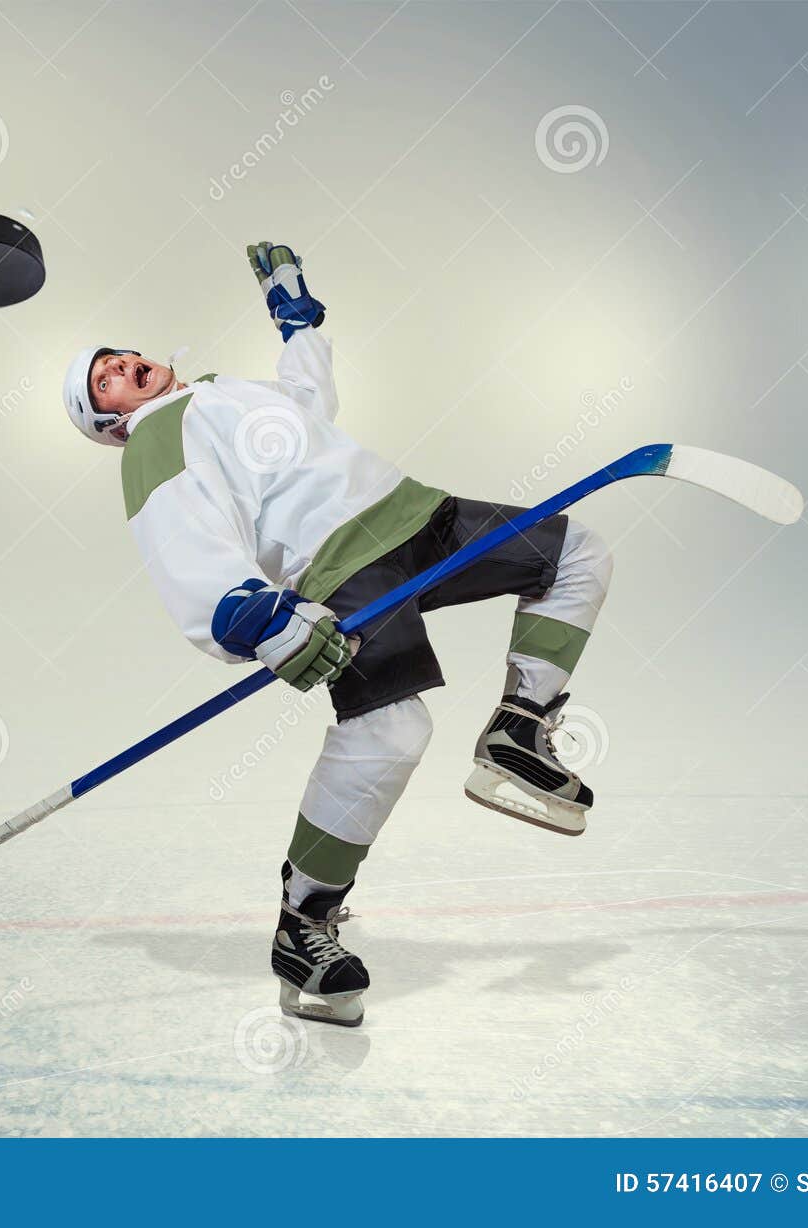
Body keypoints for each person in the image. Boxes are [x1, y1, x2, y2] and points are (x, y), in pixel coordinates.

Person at [60, 243, 613, 1026]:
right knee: (392, 730)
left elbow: (308, 405)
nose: (118, 366)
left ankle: (519, 728)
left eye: (117, 356)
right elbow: (181, 540)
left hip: (422, 514)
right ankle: (304, 923)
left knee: (577, 554)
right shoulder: (157, 439)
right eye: (101, 381)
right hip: (343, 565)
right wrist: (251, 616)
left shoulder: (224, 394)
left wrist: (296, 325)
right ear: (110, 425)